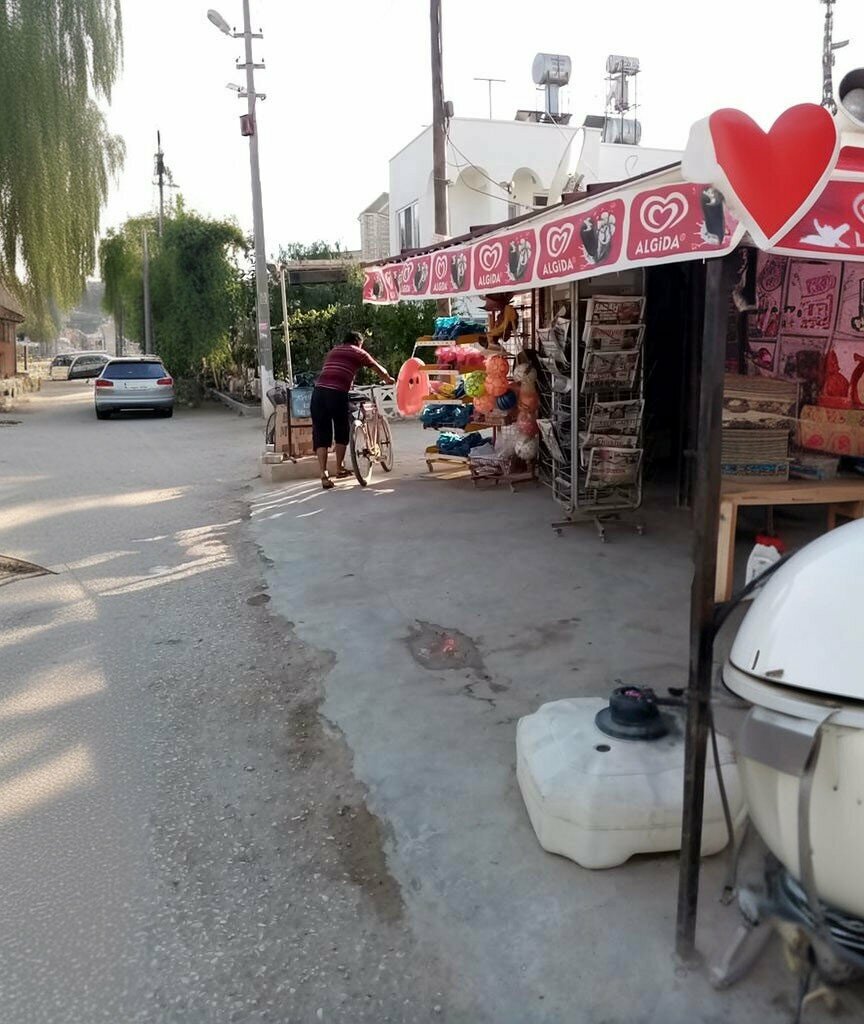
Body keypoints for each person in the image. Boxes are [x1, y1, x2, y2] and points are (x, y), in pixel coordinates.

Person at [311, 330, 395, 489]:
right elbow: (379, 369)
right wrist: (389, 380)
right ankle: (339, 468)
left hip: (318, 393)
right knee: (342, 429)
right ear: (358, 342)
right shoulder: (358, 352)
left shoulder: (334, 351)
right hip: (336, 393)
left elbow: (333, 371)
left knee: (321, 433)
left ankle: (324, 474)